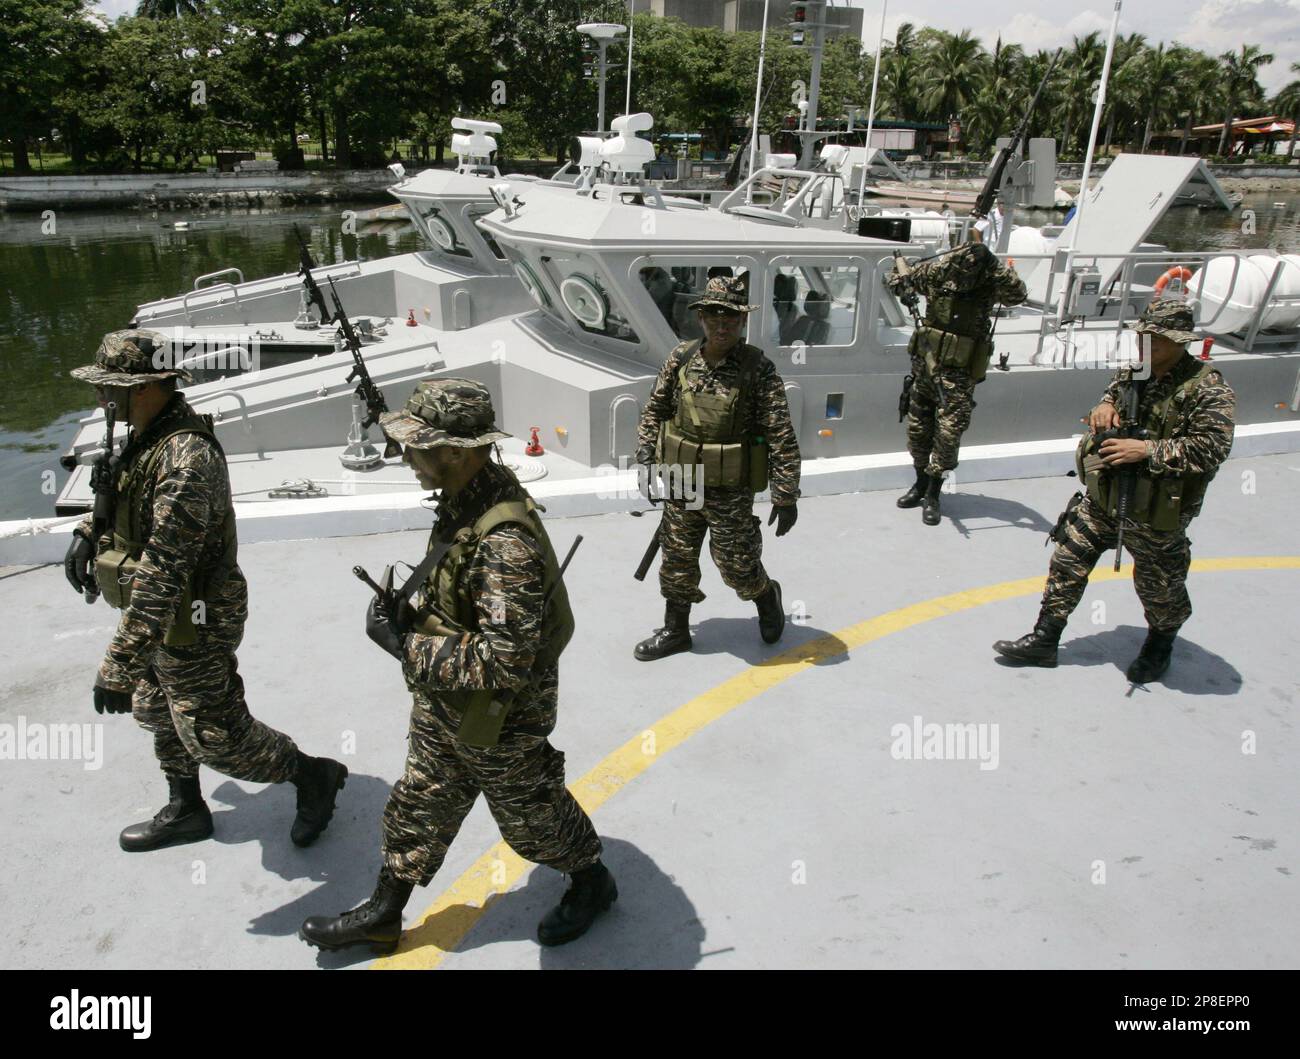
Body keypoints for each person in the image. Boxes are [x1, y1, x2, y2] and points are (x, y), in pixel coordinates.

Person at [299, 379, 613, 953]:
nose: (405, 456)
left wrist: (403, 644)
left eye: (417, 446)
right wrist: (415, 613)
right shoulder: (465, 496)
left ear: (457, 452)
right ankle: (383, 912)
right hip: (447, 694)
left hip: (501, 715)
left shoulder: (505, 542)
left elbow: (505, 660)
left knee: (532, 818)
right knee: (419, 799)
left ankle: (593, 880)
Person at [63, 330, 347, 852]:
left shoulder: (186, 458)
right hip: (158, 612)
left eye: (111, 387)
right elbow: (130, 503)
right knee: (155, 709)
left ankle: (312, 775)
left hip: (194, 612)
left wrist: (119, 663)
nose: (100, 397)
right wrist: (87, 534)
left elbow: (167, 569)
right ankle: (187, 807)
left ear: (147, 387)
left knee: (217, 737)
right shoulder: (146, 434)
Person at [993, 301, 1235, 681]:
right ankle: (1045, 639)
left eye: (1155, 340)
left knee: (1160, 588)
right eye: (1143, 337)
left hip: (1156, 512)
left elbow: (1212, 448)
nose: (1145, 346)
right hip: (1106, 495)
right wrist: (1103, 407)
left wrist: (1147, 450)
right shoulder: (1136, 368)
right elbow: (1112, 394)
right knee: (1067, 560)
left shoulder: (1208, 388)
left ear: (1177, 342)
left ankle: (1159, 645)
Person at [633, 275, 801, 660]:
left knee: (736, 564)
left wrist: (785, 494)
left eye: (730, 319)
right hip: (682, 480)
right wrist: (645, 456)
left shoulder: (758, 369)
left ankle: (764, 595)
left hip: (730, 487)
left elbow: (780, 434)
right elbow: (656, 409)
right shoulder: (681, 358)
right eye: (714, 317)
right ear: (702, 318)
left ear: (742, 322)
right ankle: (676, 630)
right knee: (677, 556)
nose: (722, 326)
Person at [885, 235, 1028, 525]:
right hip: (926, 366)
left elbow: (1017, 295)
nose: (964, 278)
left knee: (948, 437)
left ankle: (935, 492)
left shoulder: (989, 281)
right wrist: (904, 286)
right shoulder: (938, 273)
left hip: (959, 375)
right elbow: (896, 279)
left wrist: (993, 264)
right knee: (918, 431)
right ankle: (920, 483)